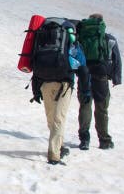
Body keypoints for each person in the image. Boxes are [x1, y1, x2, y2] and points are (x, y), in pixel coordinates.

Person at [31, 21, 91, 165]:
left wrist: (36, 90)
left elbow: (36, 65)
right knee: (59, 119)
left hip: (45, 84)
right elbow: (82, 69)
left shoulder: (44, 43)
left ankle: (59, 146)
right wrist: (86, 90)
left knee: (52, 118)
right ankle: (54, 155)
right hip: (64, 85)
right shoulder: (72, 45)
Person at [77, 13, 122, 150]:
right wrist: (116, 78)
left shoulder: (81, 36)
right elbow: (117, 59)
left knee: (85, 106)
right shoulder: (109, 39)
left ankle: (84, 139)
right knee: (101, 108)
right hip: (101, 77)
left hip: (84, 75)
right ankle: (104, 140)